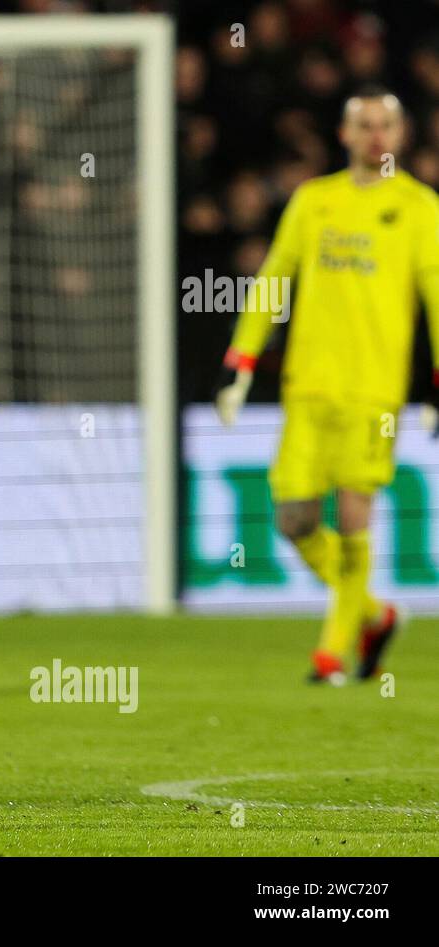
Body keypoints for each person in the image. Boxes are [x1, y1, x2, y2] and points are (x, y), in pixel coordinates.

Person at [215, 88, 439, 684]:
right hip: (308, 386)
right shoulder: (314, 201)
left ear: (400, 137)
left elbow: (438, 296)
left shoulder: (420, 207)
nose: (374, 136)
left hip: (373, 392)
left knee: (355, 514)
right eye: (363, 125)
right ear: (343, 135)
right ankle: (375, 614)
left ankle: (331, 654)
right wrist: (240, 360)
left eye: (385, 126)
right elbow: (272, 280)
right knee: (294, 521)